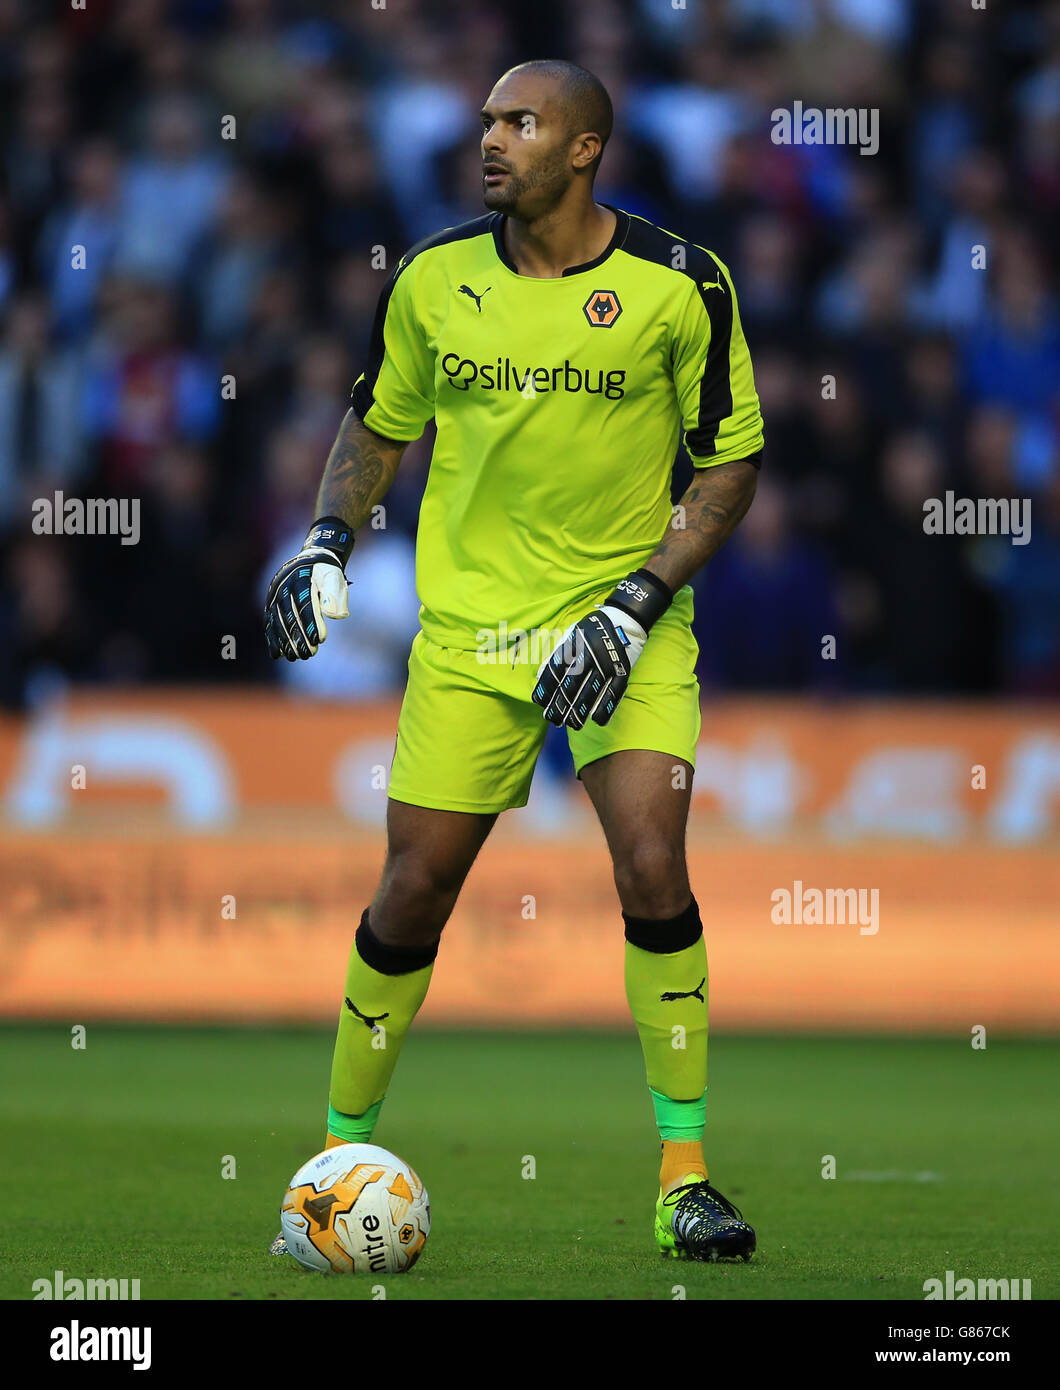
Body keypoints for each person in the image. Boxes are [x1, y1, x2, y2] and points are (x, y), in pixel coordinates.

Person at [264, 60, 763, 1263]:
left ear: (584, 149)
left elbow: (730, 465)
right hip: (472, 633)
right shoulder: (434, 279)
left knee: (652, 860)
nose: (490, 139)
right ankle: (334, 1165)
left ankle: (684, 1180)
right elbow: (380, 421)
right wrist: (327, 534)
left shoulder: (681, 283)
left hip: (623, 627)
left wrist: (638, 602)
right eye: (486, 119)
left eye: (519, 122)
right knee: (411, 891)